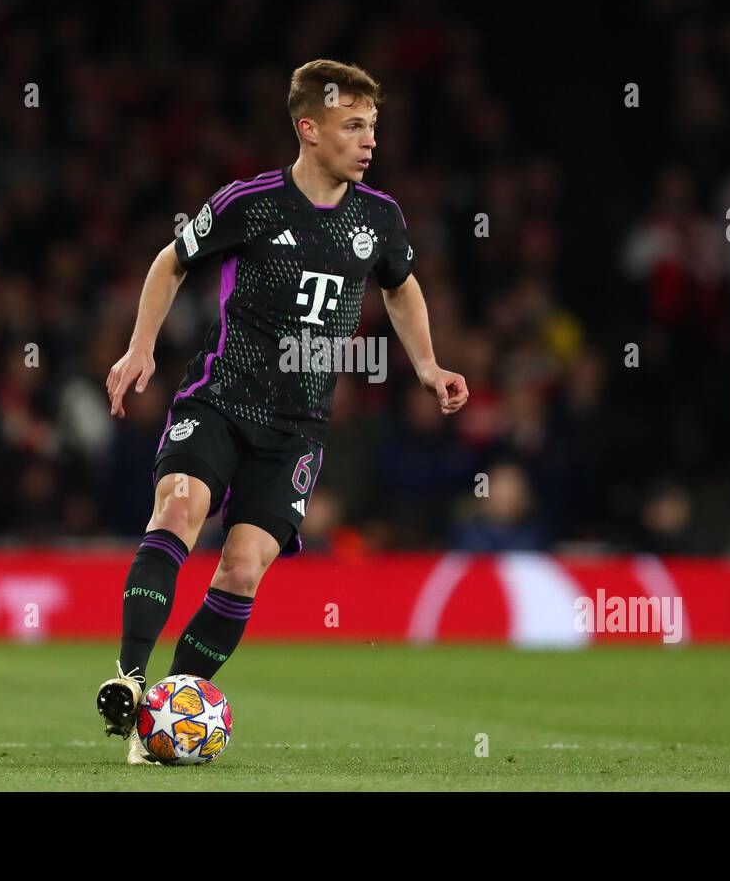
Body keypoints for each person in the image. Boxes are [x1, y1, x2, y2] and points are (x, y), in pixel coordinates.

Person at [95, 59, 469, 763]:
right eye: (353, 126)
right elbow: (171, 261)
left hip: (297, 429)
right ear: (309, 129)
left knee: (242, 569)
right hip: (219, 398)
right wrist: (140, 346)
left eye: (373, 126)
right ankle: (129, 677)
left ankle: (163, 714)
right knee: (178, 509)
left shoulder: (380, 217)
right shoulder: (252, 202)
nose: (369, 140)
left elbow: (401, 286)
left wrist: (428, 365)